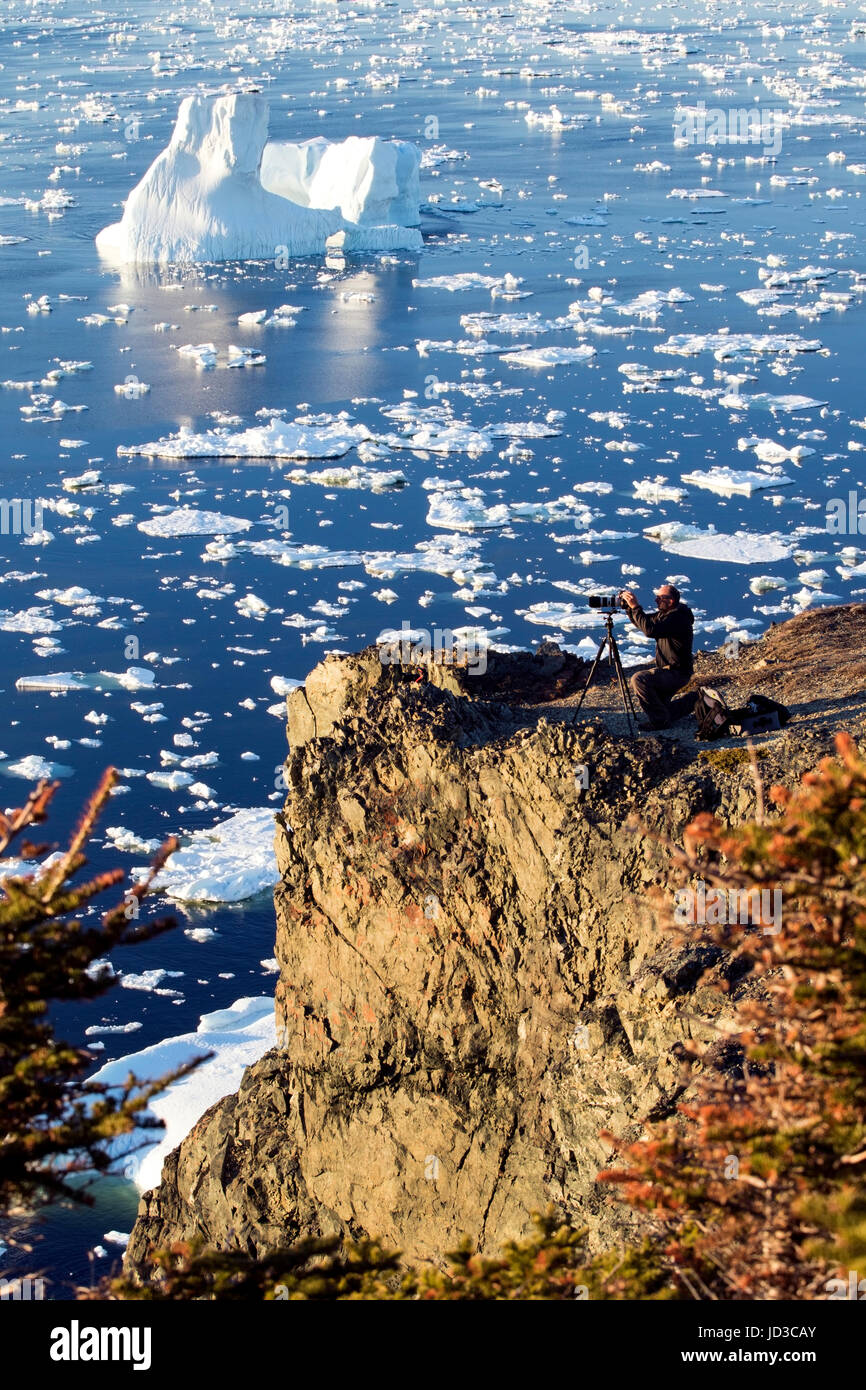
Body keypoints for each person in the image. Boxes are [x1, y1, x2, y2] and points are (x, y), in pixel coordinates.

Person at [619, 584, 694, 731]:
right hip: (671, 670)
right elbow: (644, 622)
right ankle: (695, 700)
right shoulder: (666, 615)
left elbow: (650, 630)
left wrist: (635, 607)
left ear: (670, 601)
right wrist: (630, 608)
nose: (656, 600)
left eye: (660, 598)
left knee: (639, 679)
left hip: (676, 673)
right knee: (664, 708)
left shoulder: (677, 618)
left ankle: (660, 722)